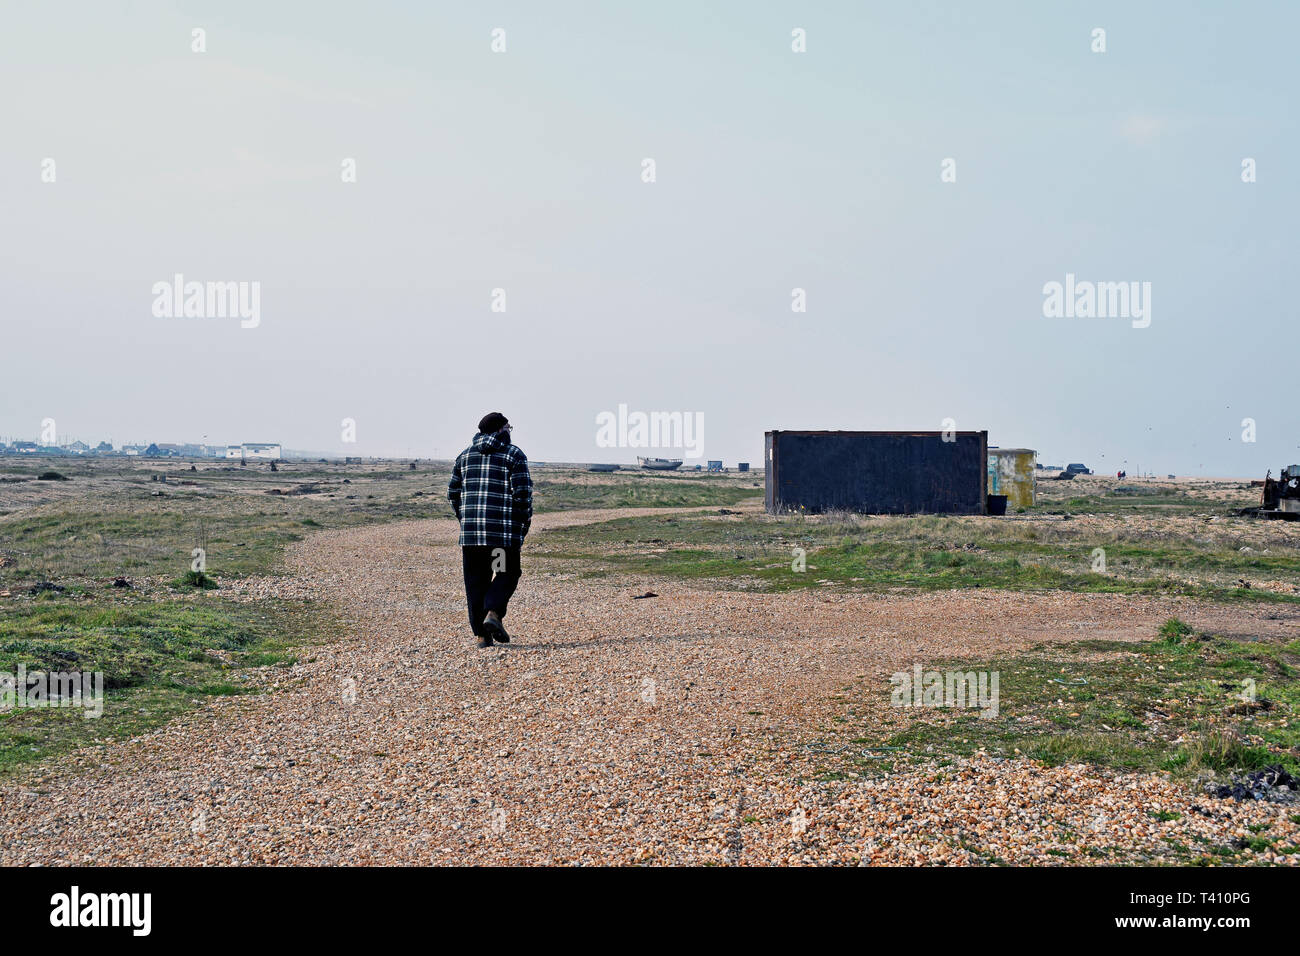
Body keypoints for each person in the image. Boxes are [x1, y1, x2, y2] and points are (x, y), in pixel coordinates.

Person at [447, 412, 533, 648]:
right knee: (506, 573)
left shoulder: (464, 457)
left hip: (472, 536)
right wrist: (523, 522)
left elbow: (453, 493)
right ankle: (493, 613)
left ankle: (481, 636)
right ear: (500, 430)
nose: (510, 432)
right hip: (501, 537)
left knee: (475, 581)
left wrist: (465, 519)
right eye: (508, 428)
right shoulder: (513, 454)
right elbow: (523, 494)